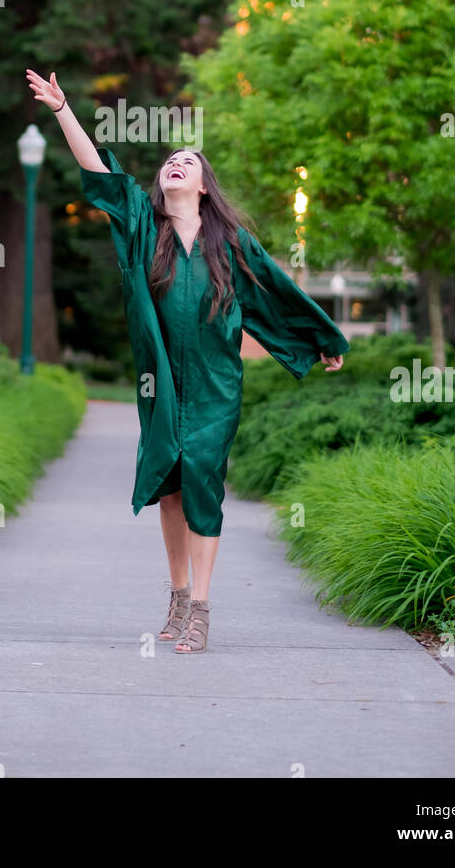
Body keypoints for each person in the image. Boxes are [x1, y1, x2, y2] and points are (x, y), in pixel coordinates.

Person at [25, 68, 349, 654]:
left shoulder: (233, 244)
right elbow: (100, 173)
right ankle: (177, 595)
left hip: (216, 383)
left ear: (203, 186)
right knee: (170, 485)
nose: (175, 163)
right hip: (160, 383)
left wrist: (320, 340)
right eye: (169, 159)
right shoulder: (142, 225)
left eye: (188, 161)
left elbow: (276, 295)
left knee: (203, 476)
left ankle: (200, 607)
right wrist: (62, 109)